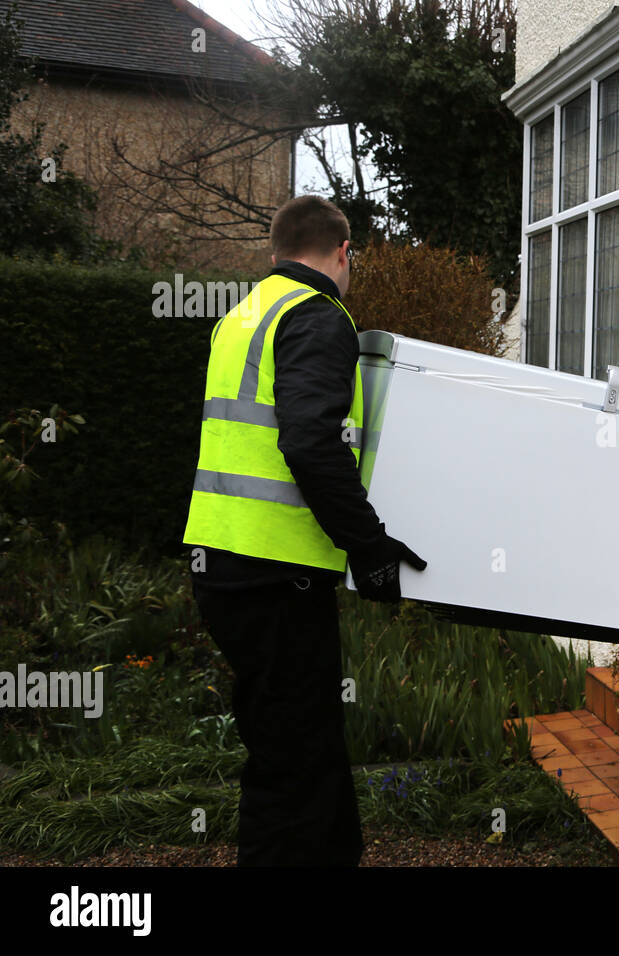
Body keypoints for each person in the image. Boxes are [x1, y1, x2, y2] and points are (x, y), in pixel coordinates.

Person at [182, 195, 427, 865]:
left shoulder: (241, 315)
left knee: (287, 745)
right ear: (344, 253)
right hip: (274, 574)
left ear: (275, 253)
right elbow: (310, 444)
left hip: (222, 562)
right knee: (299, 759)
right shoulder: (317, 316)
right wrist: (369, 547)